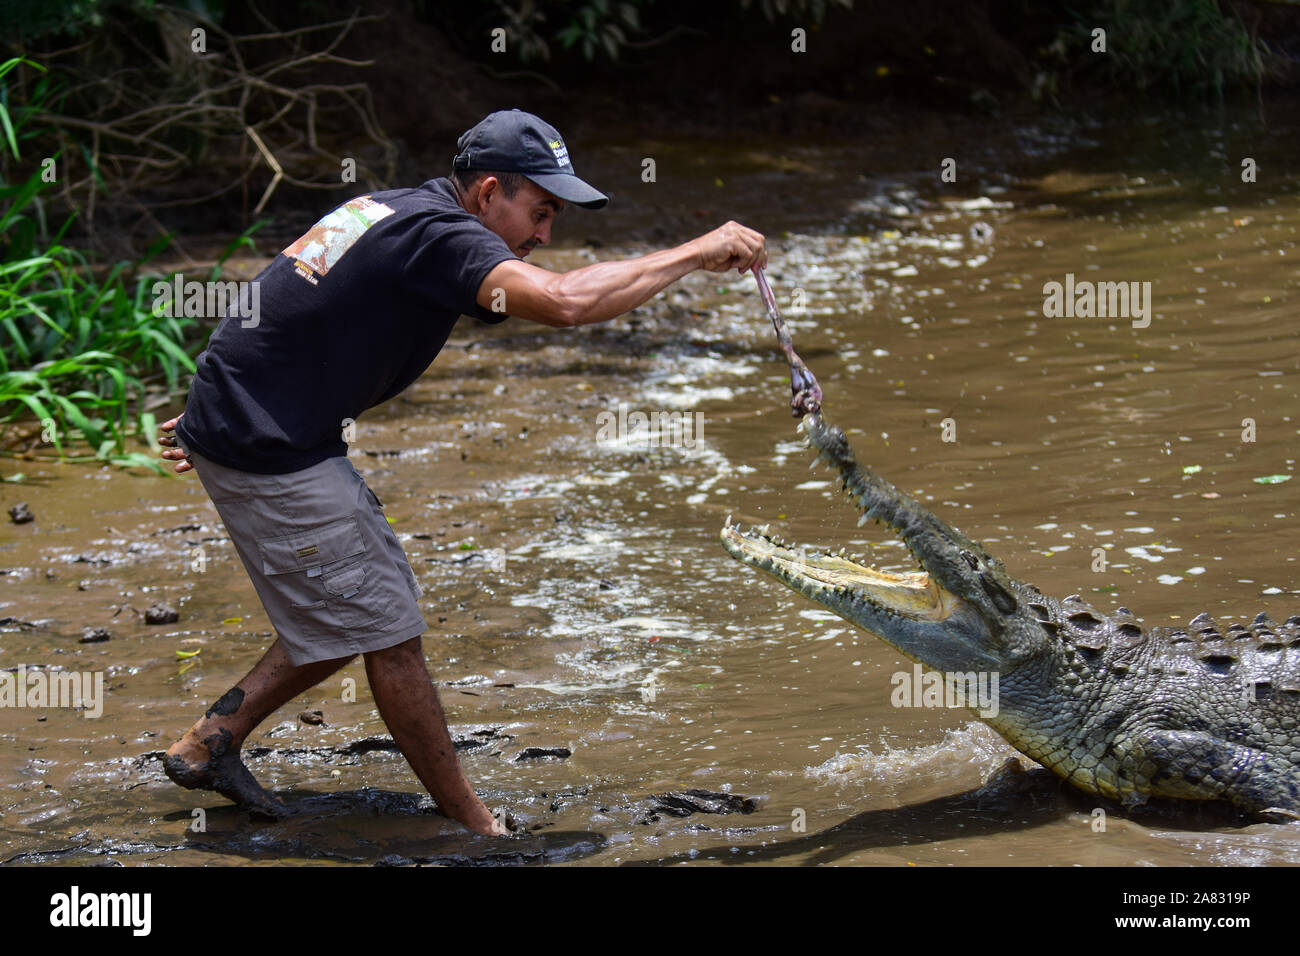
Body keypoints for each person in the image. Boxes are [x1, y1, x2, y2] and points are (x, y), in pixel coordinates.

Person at [157, 108, 766, 837]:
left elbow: (282, 298)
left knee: (352, 603)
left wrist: (216, 406)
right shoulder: (437, 235)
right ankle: (472, 823)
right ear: (485, 194)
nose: (544, 236)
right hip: (272, 447)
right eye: (539, 212)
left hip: (256, 431)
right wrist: (697, 252)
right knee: (390, 630)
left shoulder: (392, 209)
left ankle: (207, 745)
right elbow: (567, 304)